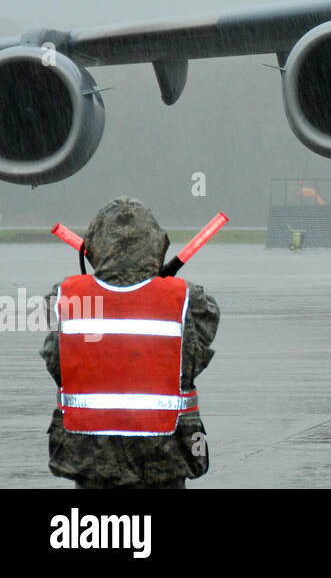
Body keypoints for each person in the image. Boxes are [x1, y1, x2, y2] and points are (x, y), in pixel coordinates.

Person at [41, 197, 220, 488]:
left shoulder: (67, 297)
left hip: (90, 458)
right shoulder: (189, 300)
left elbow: (56, 364)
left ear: (96, 244)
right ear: (157, 245)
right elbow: (193, 359)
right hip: (165, 457)